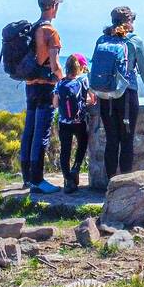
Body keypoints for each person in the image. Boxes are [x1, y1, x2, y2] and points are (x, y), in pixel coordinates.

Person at [96, 6, 144, 180]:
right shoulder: (134, 41)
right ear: (129, 22)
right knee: (126, 140)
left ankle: (110, 183)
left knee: (111, 140)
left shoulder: (102, 39)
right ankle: (123, 186)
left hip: (105, 96)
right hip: (127, 94)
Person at [19, 0, 63, 194]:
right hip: (46, 86)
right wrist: (64, 82)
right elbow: (54, 65)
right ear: (54, 7)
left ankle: (27, 177)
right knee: (41, 133)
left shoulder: (33, 28)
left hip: (30, 85)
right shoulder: (50, 32)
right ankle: (38, 180)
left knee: (29, 129)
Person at [54, 53, 93, 193]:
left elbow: (55, 104)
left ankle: (68, 180)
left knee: (65, 150)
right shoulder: (83, 81)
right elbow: (93, 99)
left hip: (64, 123)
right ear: (78, 68)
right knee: (82, 144)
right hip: (79, 122)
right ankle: (76, 168)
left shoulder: (60, 83)